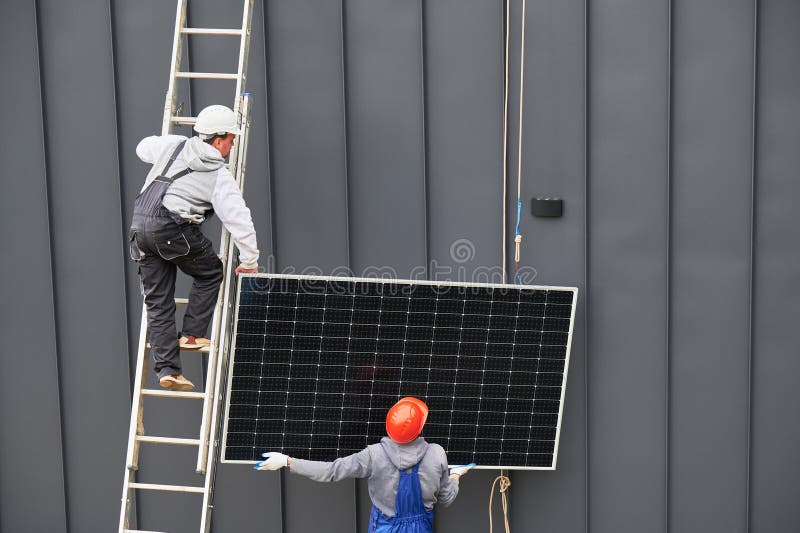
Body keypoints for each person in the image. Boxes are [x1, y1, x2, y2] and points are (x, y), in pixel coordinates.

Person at [129, 104, 259, 392]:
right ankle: (191, 335)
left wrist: (164, 149)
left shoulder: (173, 146)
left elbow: (142, 148)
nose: (233, 145)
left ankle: (168, 371)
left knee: (157, 301)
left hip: (139, 227)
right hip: (171, 228)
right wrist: (249, 260)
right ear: (219, 138)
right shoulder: (219, 174)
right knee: (211, 271)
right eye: (231, 139)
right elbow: (240, 220)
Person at [255, 397, 474, 532]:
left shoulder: (374, 455)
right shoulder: (437, 454)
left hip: (384, 527)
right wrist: (455, 476)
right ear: (420, 428)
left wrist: (287, 461)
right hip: (421, 528)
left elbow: (331, 471)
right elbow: (446, 497)